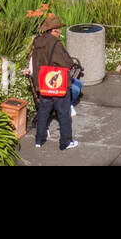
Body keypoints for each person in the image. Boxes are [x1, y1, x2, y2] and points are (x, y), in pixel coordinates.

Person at [28, 14, 78, 151]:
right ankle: (66, 142)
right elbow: (67, 62)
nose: (60, 32)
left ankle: (39, 139)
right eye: (59, 30)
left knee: (44, 111)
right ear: (54, 30)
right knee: (63, 113)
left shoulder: (37, 42)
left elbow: (34, 61)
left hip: (43, 83)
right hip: (58, 83)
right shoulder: (55, 44)